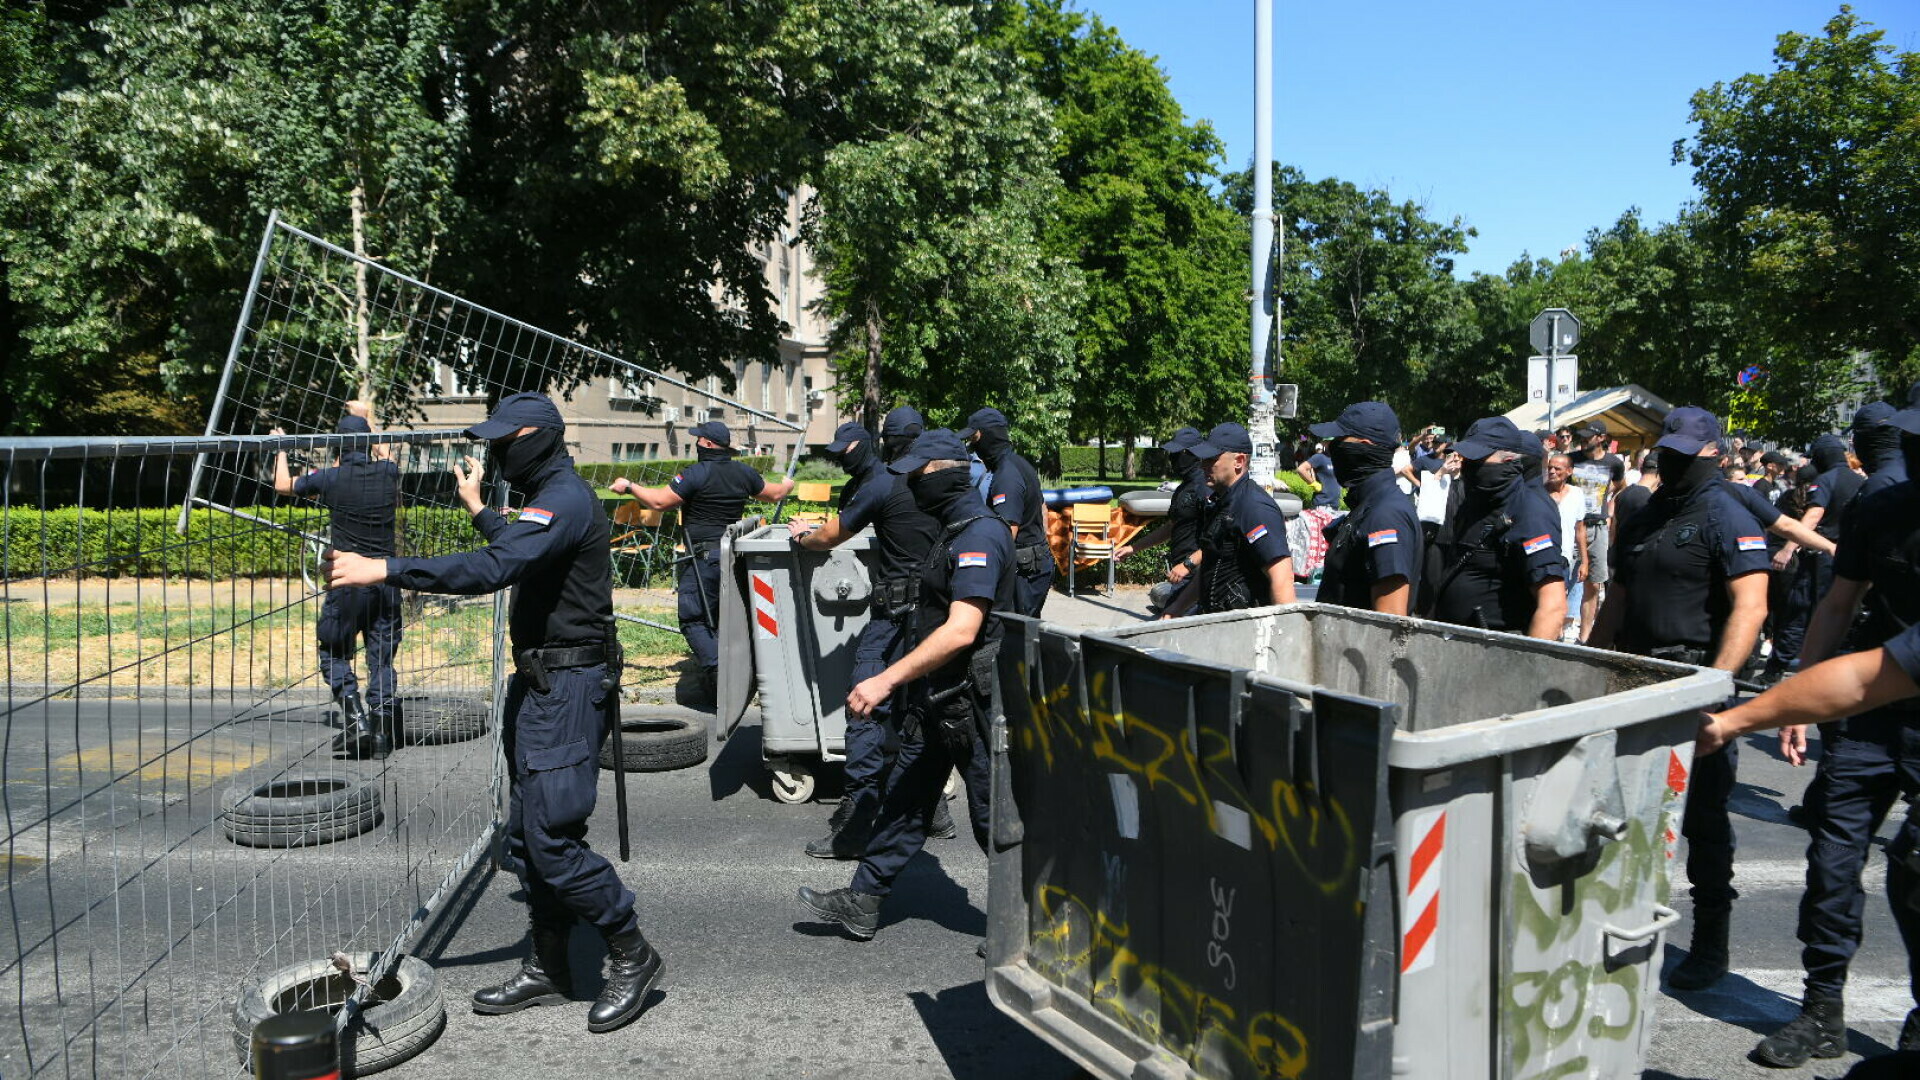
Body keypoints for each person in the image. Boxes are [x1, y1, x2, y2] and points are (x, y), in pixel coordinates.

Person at [324, 393, 662, 1034]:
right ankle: (550, 964)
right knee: (528, 840)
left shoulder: (564, 496)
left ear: (541, 437)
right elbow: (518, 545)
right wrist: (480, 509)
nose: (497, 450)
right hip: (541, 687)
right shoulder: (548, 496)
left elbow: (497, 567)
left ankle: (631, 952)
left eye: (507, 439)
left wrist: (385, 569)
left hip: (566, 689)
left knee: (553, 840)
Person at [1730, 400, 1920, 1066]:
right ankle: (1821, 1011)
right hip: (1868, 713)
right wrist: (1798, 703)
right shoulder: (1883, 506)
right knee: (1833, 862)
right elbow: (1840, 602)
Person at [795, 429, 1014, 939]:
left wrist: (884, 680)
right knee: (904, 800)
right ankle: (863, 899)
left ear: (945, 474)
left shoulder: (979, 534)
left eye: (917, 475)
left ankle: (1028, 927)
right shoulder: (953, 527)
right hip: (939, 699)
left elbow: (962, 631)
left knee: (994, 820)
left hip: (976, 703)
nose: (910, 486)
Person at [1587, 406, 1770, 996]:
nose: (1673, 460)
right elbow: (1617, 595)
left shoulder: (1727, 512)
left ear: (1713, 452)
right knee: (1620, 811)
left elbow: (1751, 605)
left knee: (1703, 821)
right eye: (1669, 449)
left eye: (1687, 452)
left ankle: (1710, 943)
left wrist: (1715, 688)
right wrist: (1589, 664)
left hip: (1694, 678)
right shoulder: (1644, 511)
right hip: (1635, 677)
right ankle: (1622, 923)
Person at [789, 419, 951, 859]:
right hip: (941, 617)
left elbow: (830, 536)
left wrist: (803, 536)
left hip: (896, 614)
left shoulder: (886, 483)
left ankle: (857, 821)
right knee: (925, 709)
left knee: (865, 705)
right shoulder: (950, 488)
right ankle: (934, 811)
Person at [611, 420, 794, 707]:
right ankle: (739, 672)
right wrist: (787, 483)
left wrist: (630, 486)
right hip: (734, 556)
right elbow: (775, 494)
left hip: (705, 559)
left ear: (707, 444)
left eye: (698, 440)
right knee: (724, 617)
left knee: (693, 618)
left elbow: (660, 502)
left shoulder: (697, 473)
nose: (696, 443)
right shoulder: (742, 471)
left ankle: (721, 672)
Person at [274, 414, 402, 760]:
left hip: (346, 581)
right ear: (368, 443)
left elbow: (283, 484)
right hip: (386, 579)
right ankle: (381, 732)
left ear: (337, 448)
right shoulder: (389, 473)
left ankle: (354, 717)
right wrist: (372, 427)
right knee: (382, 660)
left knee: (333, 650)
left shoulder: (329, 479)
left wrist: (281, 447)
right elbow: (387, 454)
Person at [1423, 417, 1567, 639]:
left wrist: (1527, 668)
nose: (1467, 465)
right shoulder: (1477, 501)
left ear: (1508, 459)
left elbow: (1553, 606)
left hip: (1498, 655)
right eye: (1465, 457)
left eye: (1477, 459)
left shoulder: (1530, 509)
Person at [1160, 422, 1295, 617]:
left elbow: (1282, 578)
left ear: (1239, 461)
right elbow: (1209, 566)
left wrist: (1283, 637)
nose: (1202, 465)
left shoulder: (1254, 507)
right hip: (1217, 623)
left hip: (1245, 629)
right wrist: (1177, 607)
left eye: (1211, 459)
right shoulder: (1221, 502)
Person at [1309, 402, 1422, 614]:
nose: (1330, 447)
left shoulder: (1387, 515)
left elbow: (1388, 624)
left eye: (1340, 440)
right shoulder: (1368, 506)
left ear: (1364, 445)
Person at [960, 408, 1051, 617]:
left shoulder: (1006, 475)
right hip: (1032, 564)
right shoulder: (1017, 464)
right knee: (1026, 633)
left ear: (986, 436)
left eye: (975, 438)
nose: (972, 446)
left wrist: (986, 573)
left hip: (1023, 571)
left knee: (1016, 634)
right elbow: (1042, 510)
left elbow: (1007, 533)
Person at [1113, 427, 1211, 616]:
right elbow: (1172, 527)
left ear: (1192, 453)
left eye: (1177, 452)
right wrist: (1134, 548)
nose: (1172, 458)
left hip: (1195, 576)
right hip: (1182, 574)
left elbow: (1218, 537)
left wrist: (1188, 564)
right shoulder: (1184, 489)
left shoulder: (1204, 488)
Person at [1570, 422, 1628, 645]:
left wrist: (1610, 503)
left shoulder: (1613, 462)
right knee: (1563, 577)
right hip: (1573, 525)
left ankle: (1585, 636)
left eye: (1588, 437)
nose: (1584, 441)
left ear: (1601, 438)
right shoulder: (1573, 459)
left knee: (1594, 583)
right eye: (1582, 437)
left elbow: (1621, 484)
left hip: (1597, 527)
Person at [1545, 454, 1590, 641]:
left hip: (1564, 557)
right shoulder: (1540, 492)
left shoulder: (1577, 494)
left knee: (1561, 603)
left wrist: (1585, 561)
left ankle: (1559, 637)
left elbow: (1580, 530)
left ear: (1569, 472)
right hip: (1543, 555)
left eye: (1558, 469)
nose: (1552, 472)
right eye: (1550, 468)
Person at [1297, 440, 1342, 509]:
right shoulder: (1319, 457)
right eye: (1328, 442)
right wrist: (1313, 483)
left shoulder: (1336, 459)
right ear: (1323, 444)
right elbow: (1301, 469)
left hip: (1335, 505)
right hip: (1322, 505)